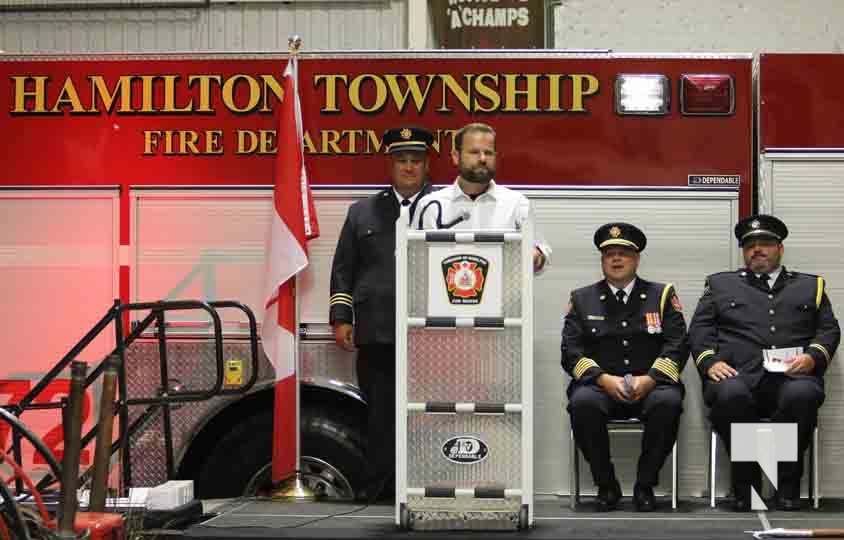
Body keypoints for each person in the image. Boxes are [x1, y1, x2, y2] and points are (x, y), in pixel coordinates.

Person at [688, 214, 840, 511]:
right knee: (731, 394)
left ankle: (787, 486)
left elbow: (828, 330)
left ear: (780, 248)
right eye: (750, 245)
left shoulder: (811, 286)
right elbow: (700, 330)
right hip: (738, 377)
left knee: (802, 394)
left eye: (765, 244)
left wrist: (812, 356)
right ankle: (747, 486)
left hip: (791, 378)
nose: (757, 249)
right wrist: (710, 363)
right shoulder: (720, 285)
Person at [328, 126, 436, 502]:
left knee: (430, 413)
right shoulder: (362, 212)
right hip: (378, 331)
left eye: (415, 161)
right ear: (390, 165)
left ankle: (427, 485)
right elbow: (343, 269)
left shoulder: (447, 209)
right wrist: (342, 318)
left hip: (433, 333)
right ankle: (378, 489)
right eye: (401, 160)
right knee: (381, 414)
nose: (408, 167)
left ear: (427, 165)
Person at [561, 223, 688, 512]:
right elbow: (570, 351)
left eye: (624, 253)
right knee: (582, 403)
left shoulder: (662, 295)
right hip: (600, 386)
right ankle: (606, 485)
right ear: (602, 260)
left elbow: (678, 344)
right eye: (610, 254)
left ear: (637, 259)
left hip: (651, 385)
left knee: (668, 402)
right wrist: (602, 379)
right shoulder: (582, 299)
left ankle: (645, 485)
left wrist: (651, 379)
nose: (616, 259)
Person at [414, 122, 550, 272]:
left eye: (488, 153)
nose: (483, 158)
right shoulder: (431, 205)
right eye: (474, 152)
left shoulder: (516, 204)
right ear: (456, 157)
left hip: (501, 287)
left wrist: (537, 256)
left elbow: (541, 252)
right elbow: (416, 262)